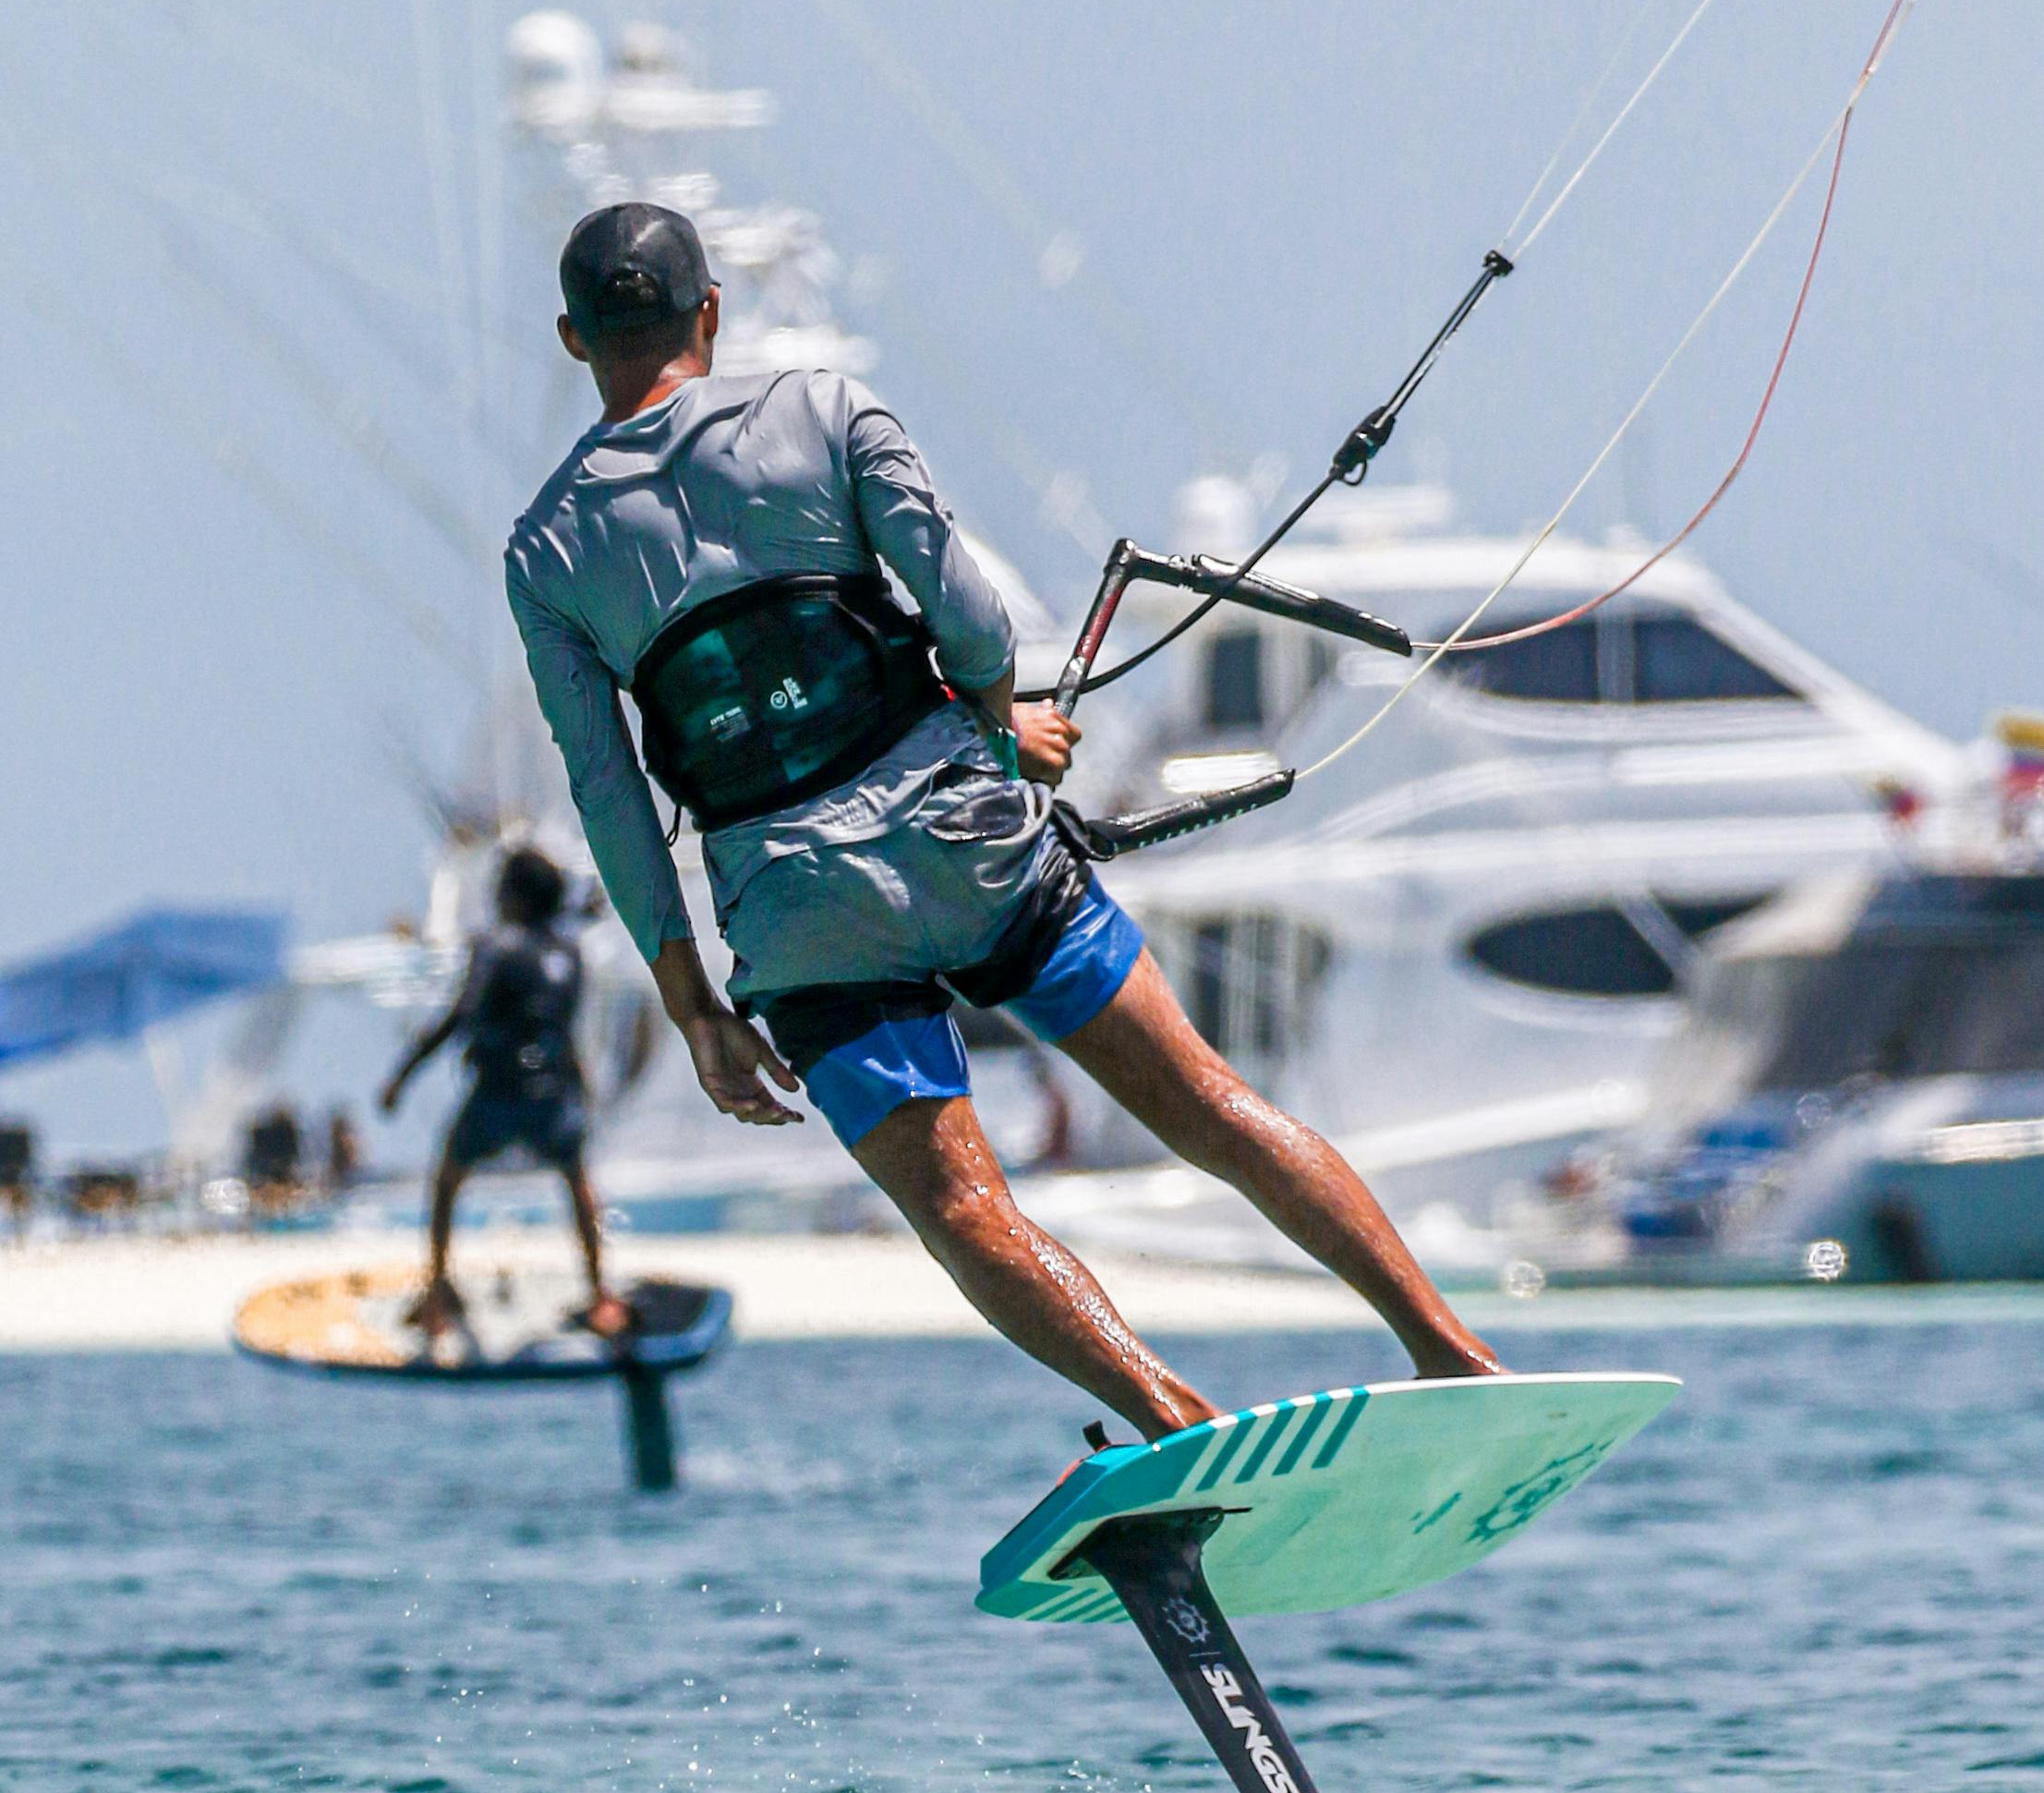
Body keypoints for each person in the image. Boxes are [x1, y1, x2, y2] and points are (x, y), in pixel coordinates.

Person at [505, 200, 1498, 1445]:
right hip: (970, 841)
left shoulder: (547, 549)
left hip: (805, 919)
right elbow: (971, 620)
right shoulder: (823, 411)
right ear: (712, 311)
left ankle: (1176, 1427)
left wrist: (693, 1006)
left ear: (571, 338)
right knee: (1207, 1106)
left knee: (967, 1209)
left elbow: (612, 798)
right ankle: (1452, 1356)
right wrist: (994, 725)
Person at [378, 842, 630, 1346]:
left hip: (498, 1094)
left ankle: (438, 1294)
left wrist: (402, 1076)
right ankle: (601, 1294)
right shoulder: (570, 953)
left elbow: (459, 1015)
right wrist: (582, 1095)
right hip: (555, 1095)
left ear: (515, 895)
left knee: (449, 1178)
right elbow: (567, 1032)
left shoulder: (495, 945)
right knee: (577, 1179)